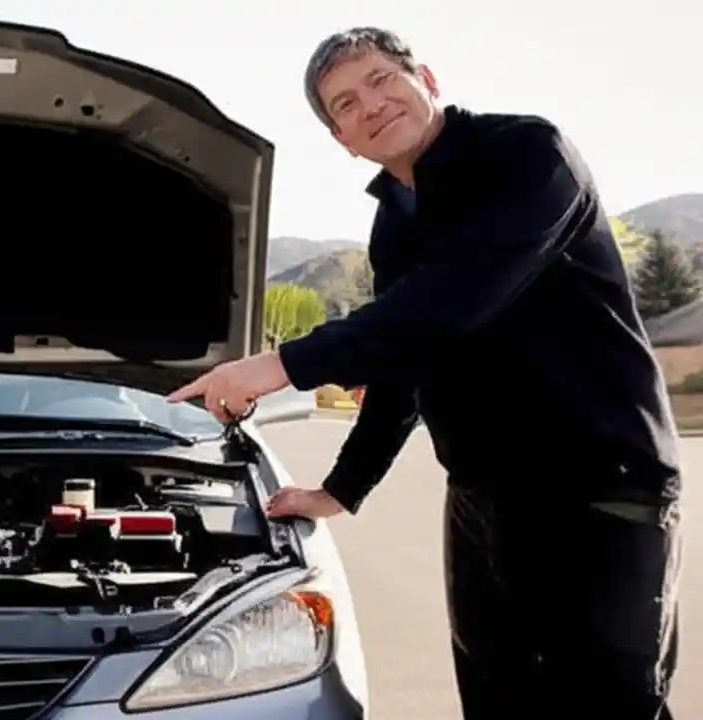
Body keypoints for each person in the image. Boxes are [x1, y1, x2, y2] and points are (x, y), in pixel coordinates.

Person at [167, 27, 682, 719]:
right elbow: (404, 361)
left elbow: (453, 302)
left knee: (606, 706)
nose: (371, 106)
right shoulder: (394, 227)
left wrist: (281, 364)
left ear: (426, 79)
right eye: (346, 104)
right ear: (343, 140)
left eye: (381, 80)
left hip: (597, 493)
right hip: (481, 500)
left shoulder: (529, 155)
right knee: (497, 701)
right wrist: (341, 489)